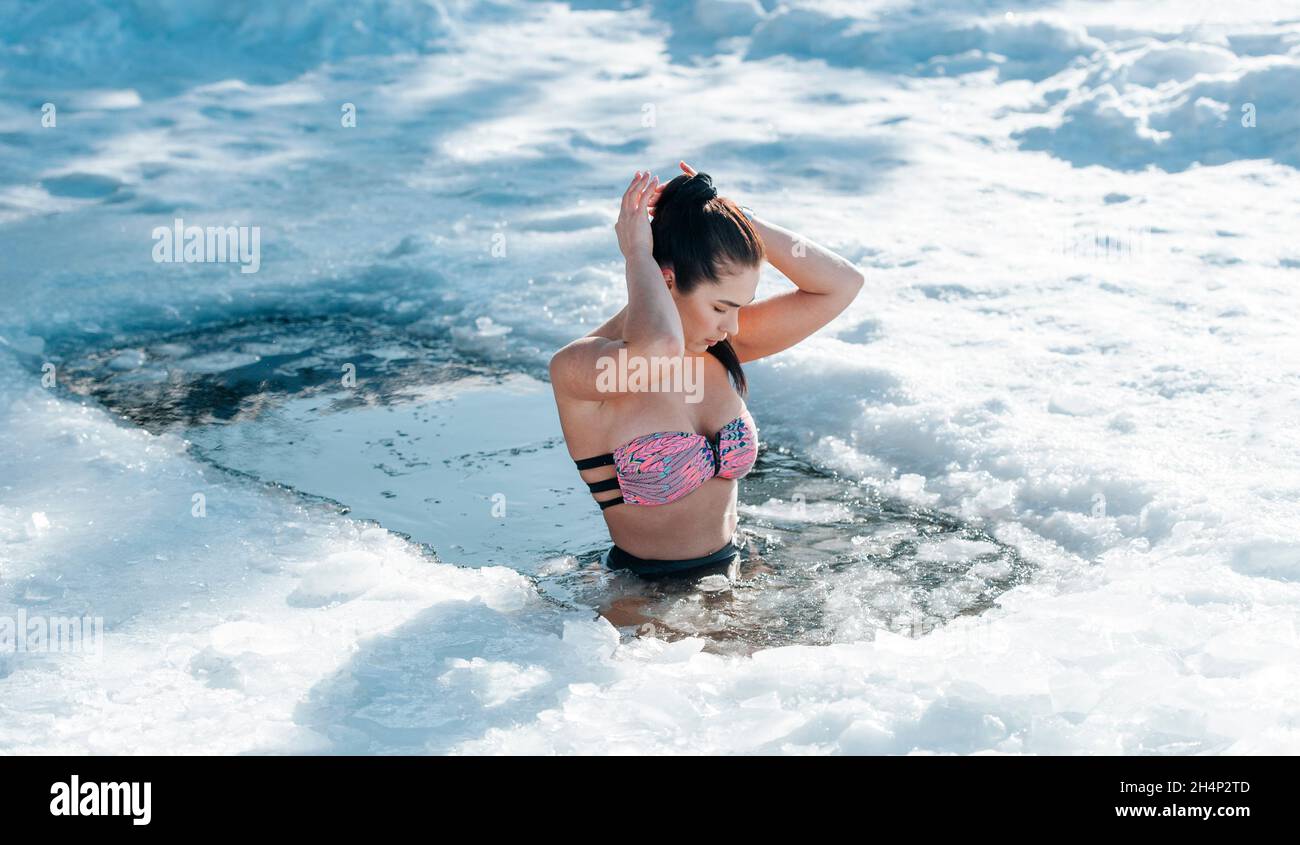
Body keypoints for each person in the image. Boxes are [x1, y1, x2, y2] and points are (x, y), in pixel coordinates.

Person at [549, 161, 864, 578]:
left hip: (736, 572)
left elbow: (841, 284)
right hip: (645, 601)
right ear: (665, 280)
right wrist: (637, 253)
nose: (732, 326)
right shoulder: (583, 371)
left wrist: (736, 218)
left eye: (739, 308)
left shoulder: (715, 347)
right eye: (720, 307)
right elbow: (659, 347)